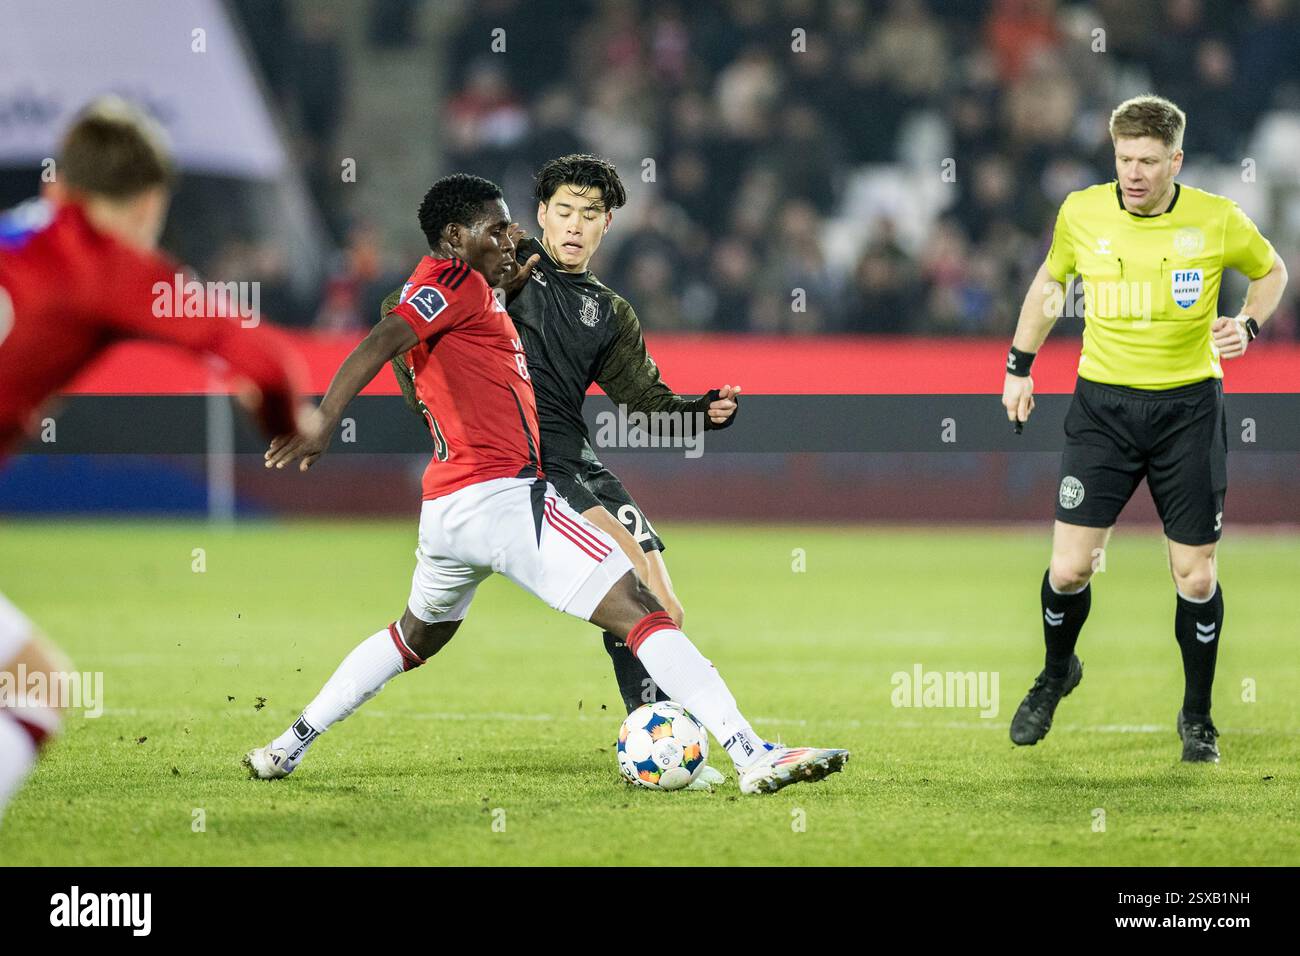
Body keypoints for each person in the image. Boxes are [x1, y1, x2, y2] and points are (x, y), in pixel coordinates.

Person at [246, 173, 848, 794]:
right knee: (642, 609)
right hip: (507, 498)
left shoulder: (477, 291)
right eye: (496, 226)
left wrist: (497, 294)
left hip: (447, 511)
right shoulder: (448, 282)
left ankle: (286, 746)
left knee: (411, 637)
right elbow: (384, 336)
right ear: (455, 237)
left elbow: (449, 349)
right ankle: (752, 754)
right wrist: (319, 419)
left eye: (511, 224)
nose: (512, 237)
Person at [0, 97, 304, 824]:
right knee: (39, 688)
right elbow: (265, 360)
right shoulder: (112, 269)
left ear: (59, 184)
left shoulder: (18, 232)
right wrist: (289, 424)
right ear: (148, 204)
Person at [384, 154, 739, 728]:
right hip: (528, 461)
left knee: (666, 606)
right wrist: (428, 396)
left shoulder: (609, 312)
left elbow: (644, 399)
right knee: (639, 598)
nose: (575, 226)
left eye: (590, 214)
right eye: (564, 211)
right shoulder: (501, 268)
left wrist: (701, 412)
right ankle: (658, 734)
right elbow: (402, 311)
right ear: (541, 217)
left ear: (607, 225)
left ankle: (659, 734)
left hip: (580, 460)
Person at [1001, 95, 1288, 763]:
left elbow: (1273, 271)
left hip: (1188, 410)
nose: (1133, 172)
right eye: (1125, 158)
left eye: (1148, 161)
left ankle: (1197, 716)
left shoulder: (1216, 220)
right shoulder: (1083, 211)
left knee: (1193, 577)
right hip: (1102, 409)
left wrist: (1246, 324)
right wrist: (1019, 366)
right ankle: (1055, 673)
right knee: (1069, 569)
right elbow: (1051, 282)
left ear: (1175, 161)